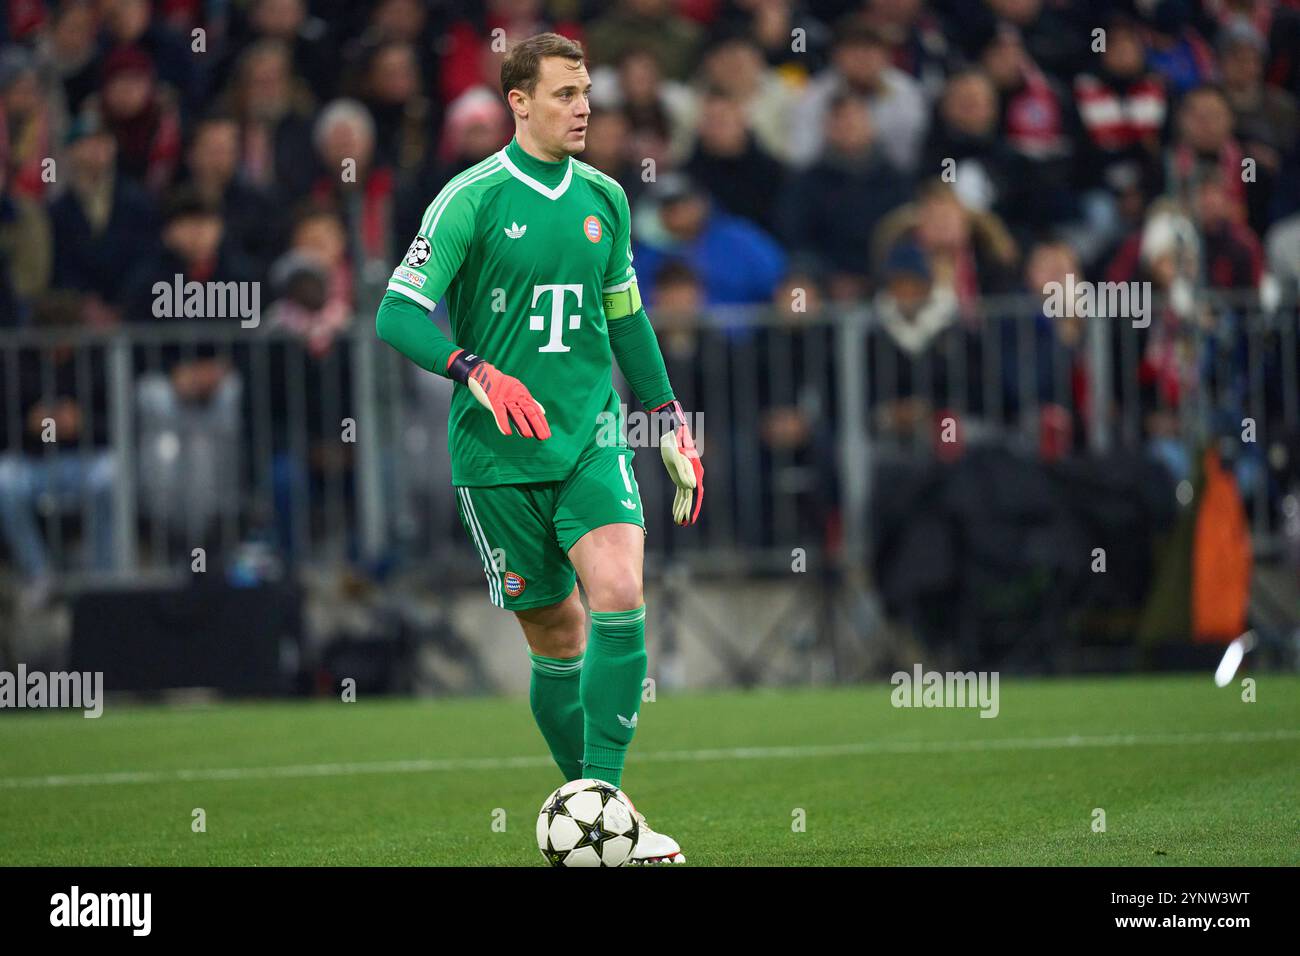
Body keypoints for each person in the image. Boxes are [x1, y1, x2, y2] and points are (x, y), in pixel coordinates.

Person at [375, 33, 700, 865]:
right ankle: (605, 812)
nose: (583, 106)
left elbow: (624, 317)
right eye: (563, 93)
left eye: (587, 90)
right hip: (498, 458)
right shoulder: (471, 199)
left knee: (621, 589)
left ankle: (607, 807)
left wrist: (667, 416)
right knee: (558, 637)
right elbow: (397, 313)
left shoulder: (607, 199)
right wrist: (471, 367)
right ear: (518, 103)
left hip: (591, 435)